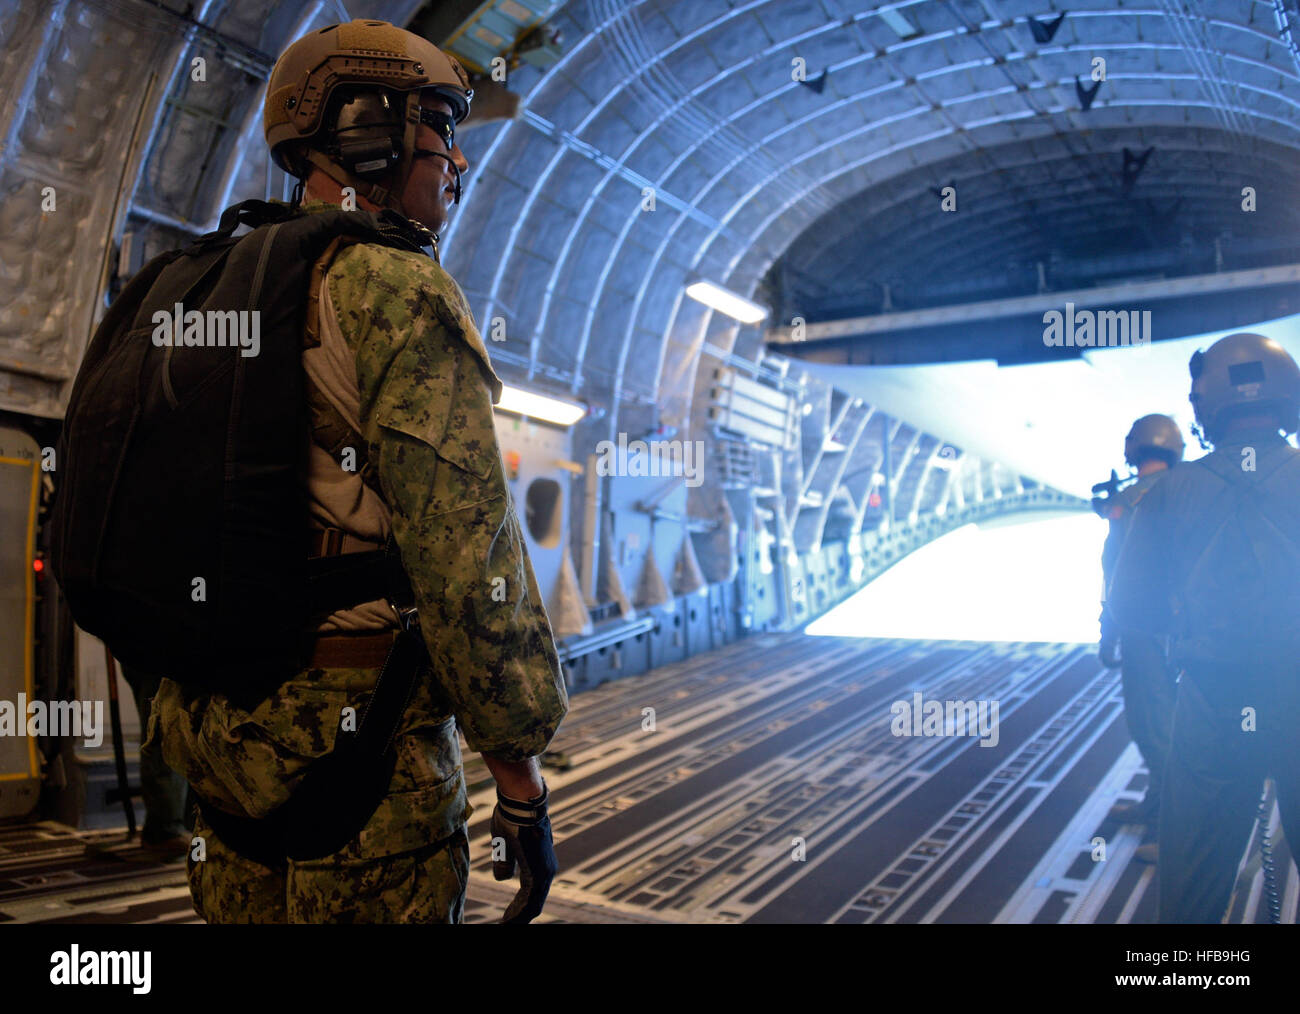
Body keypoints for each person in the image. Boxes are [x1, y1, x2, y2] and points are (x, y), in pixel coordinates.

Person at [150, 19, 569, 923]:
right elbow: (469, 564)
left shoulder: (208, 280)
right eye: (441, 127)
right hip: (363, 779)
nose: (453, 159)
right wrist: (521, 781)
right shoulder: (393, 287)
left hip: (223, 763)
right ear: (370, 127)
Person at [1109, 332, 1300, 923]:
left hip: (1213, 707)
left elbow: (1131, 608)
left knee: (1190, 900)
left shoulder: (1169, 494)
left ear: (1207, 404)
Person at [1097, 415, 1182, 847]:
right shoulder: (1192, 489)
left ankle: (1172, 828)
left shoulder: (1128, 500)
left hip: (1141, 626)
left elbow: (1115, 569)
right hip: (1185, 628)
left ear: (1134, 450)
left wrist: (1107, 628)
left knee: (1151, 723)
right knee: (1173, 721)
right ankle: (1160, 803)